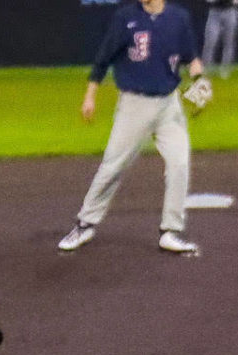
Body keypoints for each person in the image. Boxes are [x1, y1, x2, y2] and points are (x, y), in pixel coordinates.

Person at [57, 0, 206, 256]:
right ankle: (85, 224)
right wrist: (90, 95)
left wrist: (201, 80)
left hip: (169, 106)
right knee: (113, 165)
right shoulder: (125, 17)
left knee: (179, 164)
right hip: (134, 105)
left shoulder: (178, 18)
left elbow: (191, 58)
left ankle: (170, 231)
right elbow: (103, 59)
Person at [203, 0, 238, 77]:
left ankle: (225, 69)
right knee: (210, 41)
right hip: (214, 12)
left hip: (230, 11)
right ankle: (206, 68)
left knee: (229, 42)